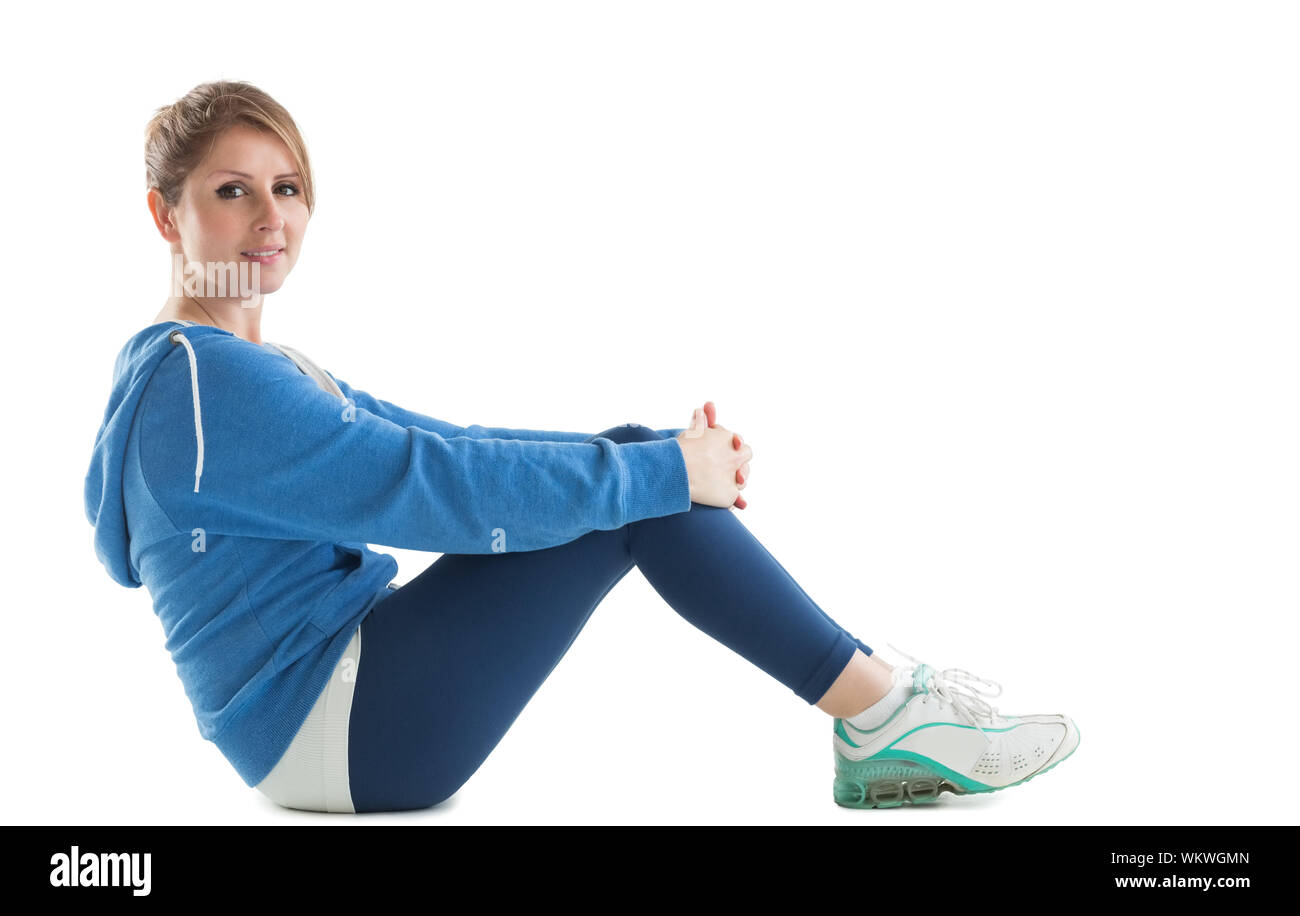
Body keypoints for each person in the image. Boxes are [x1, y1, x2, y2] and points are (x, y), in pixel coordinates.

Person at [84, 80, 1079, 815]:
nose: (272, 218)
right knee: (635, 492)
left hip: (333, 709)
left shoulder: (240, 368)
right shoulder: (207, 385)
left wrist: (650, 458)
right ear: (165, 214)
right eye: (232, 192)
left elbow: (441, 440)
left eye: (288, 186)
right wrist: (656, 474)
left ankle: (877, 708)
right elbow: (423, 484)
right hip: (338, 729)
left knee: (632, 473)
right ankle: (883, 713)